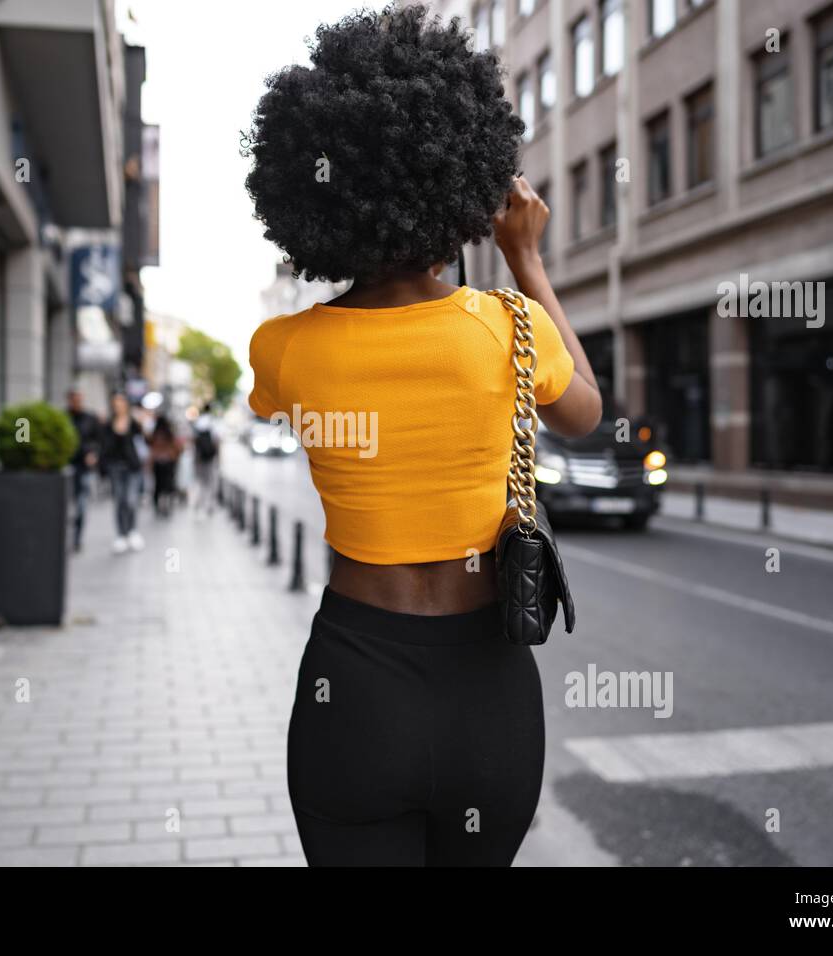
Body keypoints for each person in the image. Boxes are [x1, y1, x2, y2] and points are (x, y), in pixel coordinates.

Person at [244, 4, 602, 867]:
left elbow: (270, 404)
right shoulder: (511, 328)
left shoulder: (285, 350)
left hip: (354, 689)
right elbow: (585, 411)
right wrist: (525, 258)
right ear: (460, 184)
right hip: (491, 694)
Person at [100, 390, 146, 553]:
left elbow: (142, 443)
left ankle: (132, 531)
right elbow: (104, 446)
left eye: (121, 402)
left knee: (131, 500)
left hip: (132, 467)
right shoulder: (108, 424)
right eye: (116, 402)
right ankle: (121, 534)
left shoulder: (134, 423)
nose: (118, 405)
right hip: (115, 467)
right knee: (119, 501)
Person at [65, 389, 101, 553]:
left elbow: (98, 441)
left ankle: (77, 539)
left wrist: (93, 454)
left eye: (80, 399)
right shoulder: (63, 418)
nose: (78, 402)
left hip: (84, 469)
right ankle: (67, 535)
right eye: (75, 399)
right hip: (67, 466)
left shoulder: (90, 419)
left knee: (81, 505)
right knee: (66, 505)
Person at [147, 414, 184, 517]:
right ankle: (167, 504)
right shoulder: (170, 434)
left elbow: (149, 444)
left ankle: (158, 505)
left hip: (158, 462)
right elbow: (178, 448)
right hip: (168, 462)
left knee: (158, 485)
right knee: (168, 484)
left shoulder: (154, 434)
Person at [190, 403, 220, 518]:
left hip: (199, 457)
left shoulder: (198, 422)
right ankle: (208, 505)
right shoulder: (213, 422)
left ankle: (197, 503)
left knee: (199, 481)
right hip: (210, 457)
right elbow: (217, 442)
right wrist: (219, 458)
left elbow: (193, 440)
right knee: (210, 482)